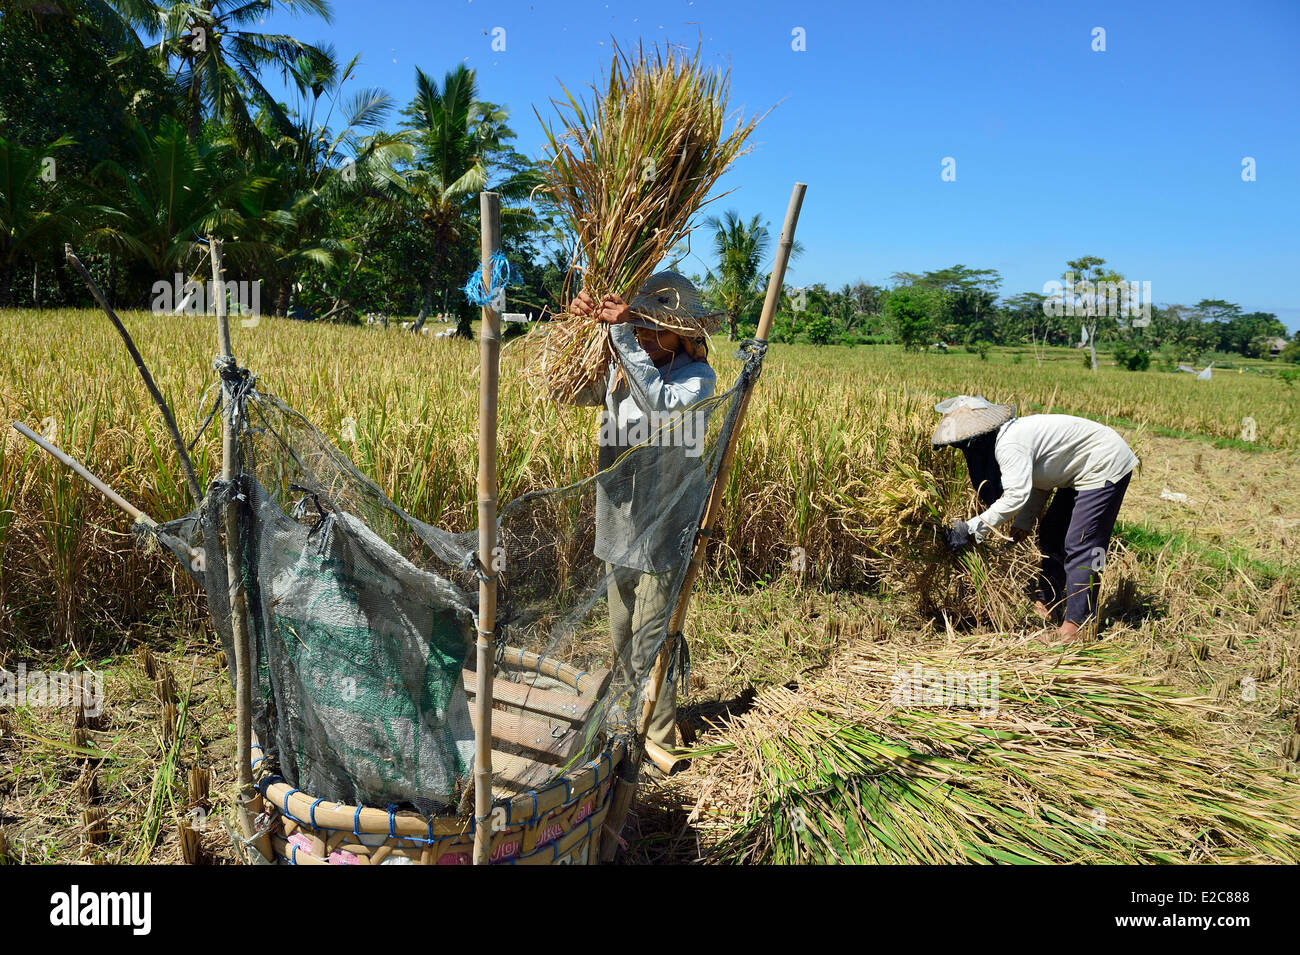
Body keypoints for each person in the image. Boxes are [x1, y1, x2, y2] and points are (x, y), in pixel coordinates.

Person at [568, 272, 719, 753]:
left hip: (664, 530)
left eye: (659, 328)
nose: (649, 337)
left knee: (650, 640)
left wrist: (622, 335)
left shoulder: (697, 379)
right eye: (643, 325)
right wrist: (582, 337)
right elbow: (566, 394)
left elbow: (659, 406)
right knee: (619, 634)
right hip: (618, 524)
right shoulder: (621, 367)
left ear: (685, 334)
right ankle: (624, 726)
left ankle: (655, 743)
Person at [932, 395, 1138, 641]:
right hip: (1076, 469)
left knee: (1083, 542)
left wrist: (970, 528)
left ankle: (1078, 626)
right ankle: (1047, 601)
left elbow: (1016, 495)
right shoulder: (1006, 440)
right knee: (1052, 532)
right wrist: (1024, 522)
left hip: (1103, 463)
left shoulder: (1009, 444)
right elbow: (1041, 480)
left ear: (978, 439)